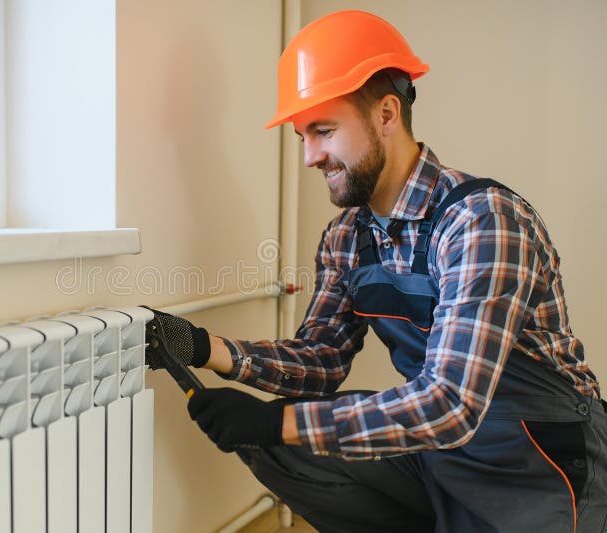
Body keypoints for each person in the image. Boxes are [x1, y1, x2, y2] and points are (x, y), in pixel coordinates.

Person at [145, 10, 607, 532]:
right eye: (301, 136)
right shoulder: (347, 237)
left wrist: (280, 419)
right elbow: (320, 361)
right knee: (279, 442)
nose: (309, 157)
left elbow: (452, 403)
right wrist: (207, 349)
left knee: (290, 425)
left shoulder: (481, 221)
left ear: (387, 113)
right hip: (442, 452)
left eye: (323, 130)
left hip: (540, 460)